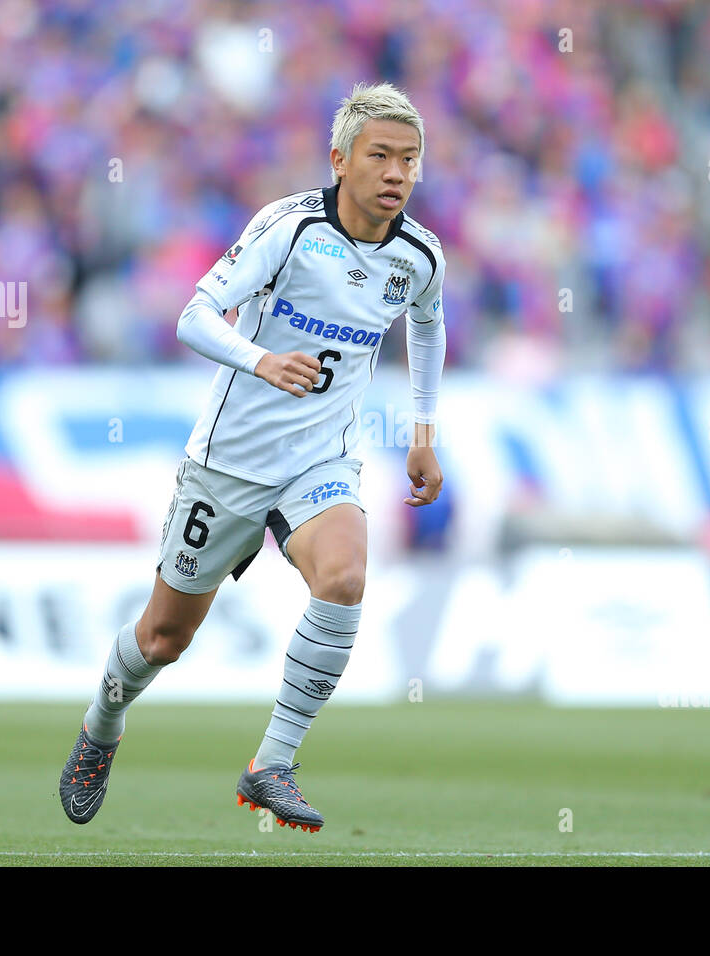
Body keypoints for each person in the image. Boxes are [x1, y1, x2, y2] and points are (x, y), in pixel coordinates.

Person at [58, 82, 446, 832]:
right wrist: (260, 359)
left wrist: (424, 431)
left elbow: (426, 326)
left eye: (410, 160)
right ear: (340, 159)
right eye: (381, 156)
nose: (397, 173)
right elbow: (193, 315)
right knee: (162, 639)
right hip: (229, 463)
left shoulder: (420, 255)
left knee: (345, 576)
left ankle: (271, 763)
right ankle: (102, 725)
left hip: (322, 458)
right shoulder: (291, 229)